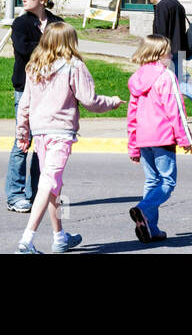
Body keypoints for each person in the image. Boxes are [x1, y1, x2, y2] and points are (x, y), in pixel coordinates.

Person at [15, 22, 121, 253]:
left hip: (40, 132)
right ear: (70, 42)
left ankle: (59, 236)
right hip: (61, 133)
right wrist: (112, 102)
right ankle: (27, 239)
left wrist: (22, 133)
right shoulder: (74, 66)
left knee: (54, 184)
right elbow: (90, 100)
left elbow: (24, 104)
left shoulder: (33, 67)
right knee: (49, 183)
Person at [126, 34, 192, 243]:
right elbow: (176, 110)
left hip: (143, 138)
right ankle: (143, 209)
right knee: (167, 181)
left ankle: (151, 228)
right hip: (163, 136)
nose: (171, 55)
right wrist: (185, 137)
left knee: (152, 180)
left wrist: (133, 146)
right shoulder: (166, 77)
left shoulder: (137, 78)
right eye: (168, 51)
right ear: (158, 54)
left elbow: (132, 115)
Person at [6, 0, 63, 213]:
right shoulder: (20, 23)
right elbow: (24, 49)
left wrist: (46, 46)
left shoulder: (57, 23)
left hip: (51, 91)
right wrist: (51, 46)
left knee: (43, 145)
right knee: (22, 143)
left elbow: (66, 48)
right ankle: (15, 194)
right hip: (25, 90)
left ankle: (36, 192)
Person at [145, 0, 191, 83]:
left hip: (168, 50)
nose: (149, 0)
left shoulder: (161, 6)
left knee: (169, 80)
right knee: (178, 79)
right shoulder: (176, 3)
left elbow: (161, 32)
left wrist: (158, 50)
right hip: (179, 46)